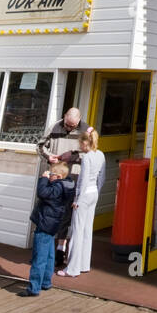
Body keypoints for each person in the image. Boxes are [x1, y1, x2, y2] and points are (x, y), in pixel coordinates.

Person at [37, 106, 87, 266]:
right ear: (64, 116)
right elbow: (39, 145)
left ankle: (60, 249)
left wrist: (74, 156)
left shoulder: (86, 129)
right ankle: (48, 249)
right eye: (67, 124)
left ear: (79, 121)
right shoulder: (54, 127)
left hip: (72, 179)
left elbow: (90, 153)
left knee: (66, 216)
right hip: (55, 178)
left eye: (72, 126)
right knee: (50, 212)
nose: (68, 128)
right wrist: (48, 156)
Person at [21, 162, 74, 297]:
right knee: (50, 255)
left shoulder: (56, 188)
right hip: (51, 225)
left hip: (45, 224)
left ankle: (34, 287)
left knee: (39, 256)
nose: (49, 176)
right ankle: (45, 282)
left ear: (58, 176)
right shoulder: (64, 186)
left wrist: (43, 178)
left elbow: (42, 192)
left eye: (51, 174)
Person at [58, 129, 105, 278]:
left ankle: (72, 268)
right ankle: (84, 264)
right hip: (94, 193)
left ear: (85, 142)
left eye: (80, 143)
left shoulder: (87, 158)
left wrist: (77, 198)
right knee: (87, 230)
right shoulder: (101, 155)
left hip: (84, 195)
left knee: (77, 231)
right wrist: (97, 191)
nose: (80, 145)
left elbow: (83, 180)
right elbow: (102, 177)